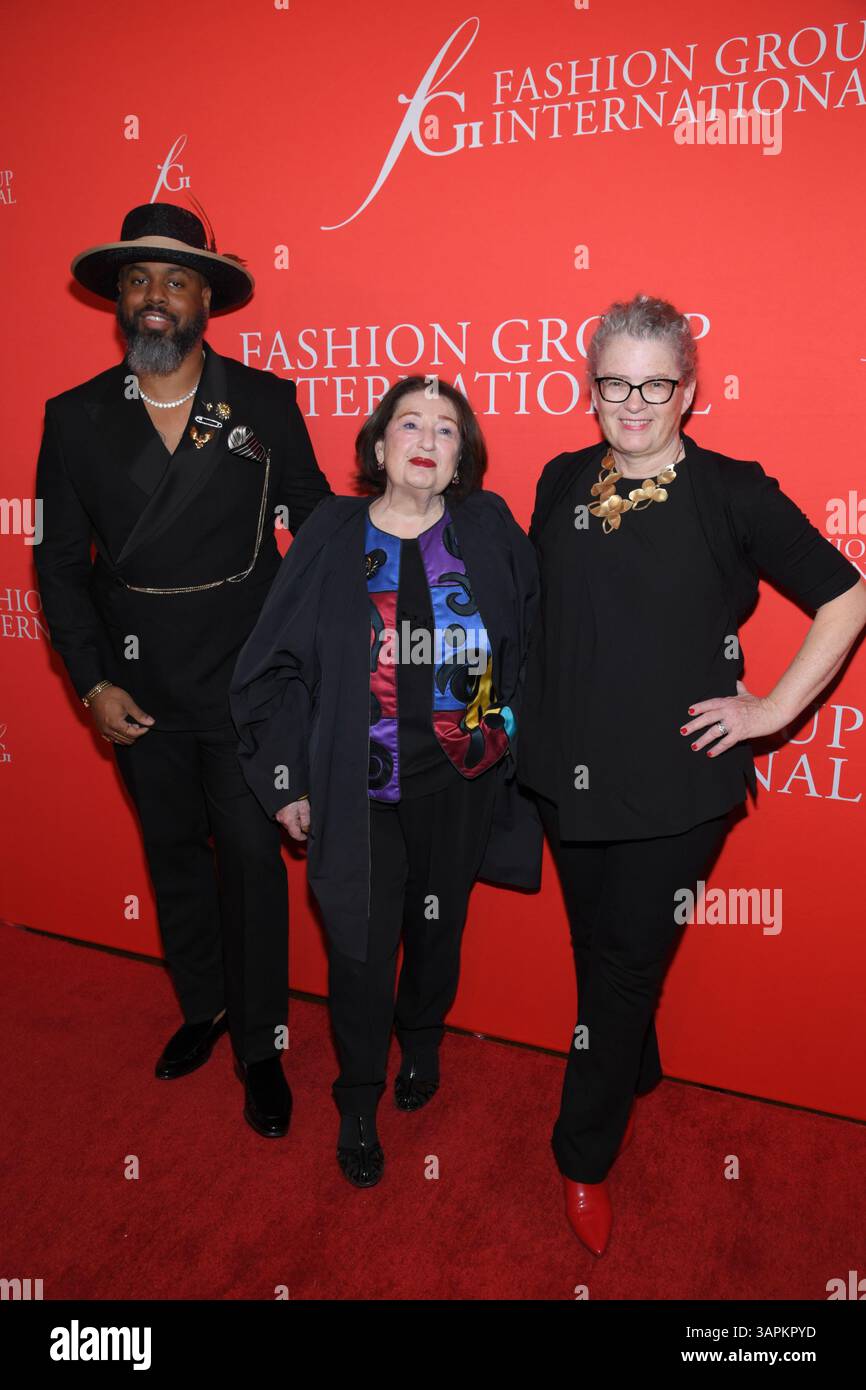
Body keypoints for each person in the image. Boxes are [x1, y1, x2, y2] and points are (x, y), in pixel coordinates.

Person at [517, 293, 866, 1255]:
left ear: (689, 390)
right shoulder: (558, 478)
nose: (633, 403)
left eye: (654, 385)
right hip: (563, 772)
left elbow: (846, 597)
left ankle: (582, 1158)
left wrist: (773, 710)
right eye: (614, 383)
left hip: (677, 784)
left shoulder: (732, 491)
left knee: (623, 971)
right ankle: (637, 1065)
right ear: (591, 387)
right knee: (597, 945)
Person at [34, 202, 332, 1138]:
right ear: (119, 300)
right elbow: (58, 565)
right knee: (172, 854)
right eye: (138, 280)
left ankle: (261, 1042)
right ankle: (204, 1006)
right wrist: (93, 683)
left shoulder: (263, 402)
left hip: (244, 680)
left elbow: (315, 522)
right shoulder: (75, 417)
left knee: (250, 858)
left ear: (206, 299)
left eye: (174, 280)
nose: (154, 296)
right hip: (137, 686)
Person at [230, 376, 542, 1186]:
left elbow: (533, 638)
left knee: (438, 931)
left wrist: (508, 732)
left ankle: (424, 1043)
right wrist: (287, 781)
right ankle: (359, 1100)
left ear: (461, 457)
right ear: (378, 446)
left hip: (458, 783)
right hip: (355, 788)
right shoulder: (333, 535)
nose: (427, 441)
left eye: (446, 430)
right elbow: (274, 666)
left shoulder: (488, 528)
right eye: (410, 424)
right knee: (361, 953)